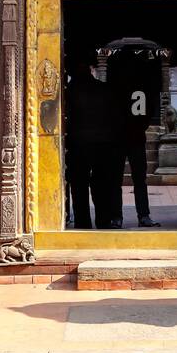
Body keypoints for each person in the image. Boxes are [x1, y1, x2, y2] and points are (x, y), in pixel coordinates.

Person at [108, 47, 160, 228]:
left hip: (119, 137)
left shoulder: (114, 85)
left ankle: (117, 217)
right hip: (136, 136)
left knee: (116, 180)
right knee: (139, 179)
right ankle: (143, 215)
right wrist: (141, 126)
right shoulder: (143, 86)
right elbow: (151, 108)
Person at [65, 61, 114, 229]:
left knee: (79, 186)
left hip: (78, 143)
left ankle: (82, 222)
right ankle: (103, 221)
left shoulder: (70, 91)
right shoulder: (103, 89)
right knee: (101, 185)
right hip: (102, 144)